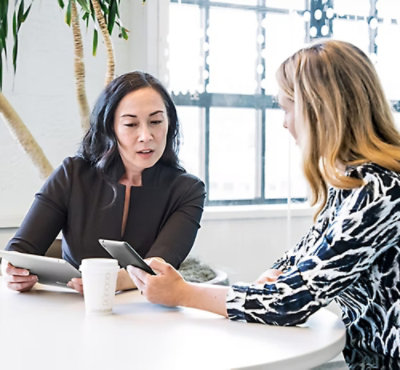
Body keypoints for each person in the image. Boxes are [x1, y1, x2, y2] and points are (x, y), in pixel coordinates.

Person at [127, 40, 400, 369]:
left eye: (287, 107)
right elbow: (302, 261)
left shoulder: (378, 190)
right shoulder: (353, 182)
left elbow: (294, 302)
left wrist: (183, 293)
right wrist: (274, 275)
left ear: (320, 110)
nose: (285, 122)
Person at [2, 71, 206, 294]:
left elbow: (159, 266)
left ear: (170, 124)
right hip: (73, 311)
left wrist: (112, 281)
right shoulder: (73, 174)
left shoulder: (188, 190)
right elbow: (20, 250)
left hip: (144, 315)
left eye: (156, 121)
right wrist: (13, 272)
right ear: (110, 128)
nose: (146, 136)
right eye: (131, 124)